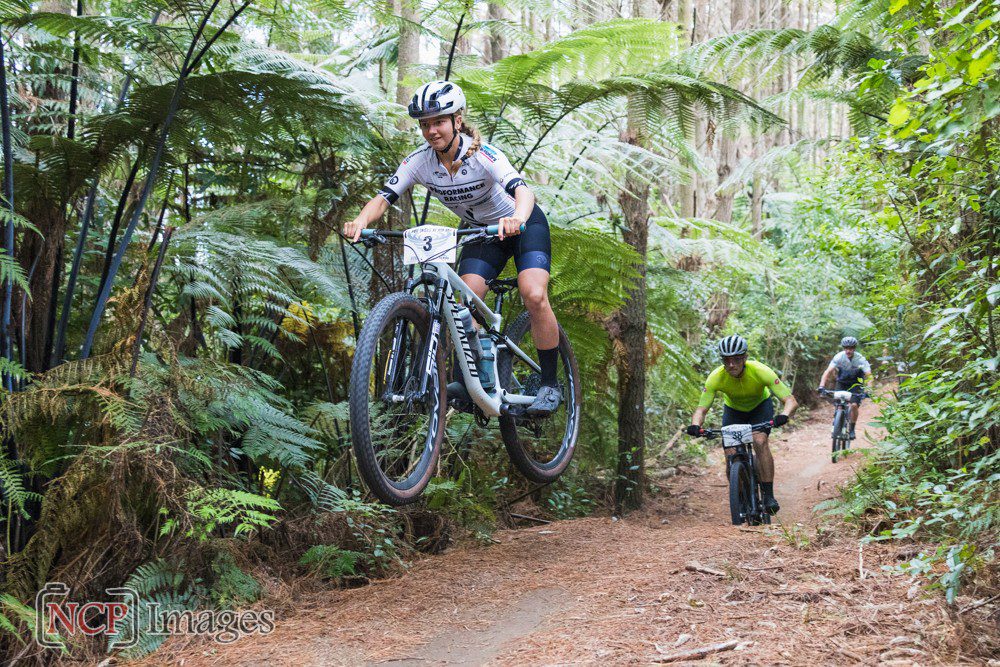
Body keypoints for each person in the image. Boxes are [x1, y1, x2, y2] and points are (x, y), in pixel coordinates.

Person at [343, 81, 562, 415]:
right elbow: (383, 197)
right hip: (480, 232)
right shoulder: (419, 162)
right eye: (425, 124)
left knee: (533, 294)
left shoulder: (484, 155)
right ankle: (476, 381)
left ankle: (549, 383)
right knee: (465, 307)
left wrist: (516, 218)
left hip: (522, 224)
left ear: (457, 121)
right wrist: (360, 222)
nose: (431, 131)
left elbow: (524, 192)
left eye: (438, 122)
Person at [686, 335, 799, 514]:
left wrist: (783, 416)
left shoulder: (761, 371)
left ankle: (768, 495)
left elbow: (790, 401)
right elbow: (701, 410)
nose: (732, 364)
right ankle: (740, 496)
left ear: (745, 358)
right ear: (722, 360)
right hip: (734, 412)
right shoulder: (716, 377)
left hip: (760, 408)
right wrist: (695, 425)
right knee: (731, 453)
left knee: (760, 441)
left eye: (737, 359)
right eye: (727, 360)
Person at [818, 336, 871, 440]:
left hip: (856, 384)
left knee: (854, 405)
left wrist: (868, 390)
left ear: (854, 348)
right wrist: (821, 386)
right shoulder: (839, 357)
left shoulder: (860, 359)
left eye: (851, 348)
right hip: (842, 383)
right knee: (838, 403)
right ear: (843, 348)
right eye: (846, 348)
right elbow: (827, 372)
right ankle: (838, 419)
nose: (848, 351)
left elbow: (869, 375)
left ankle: (851, 428)